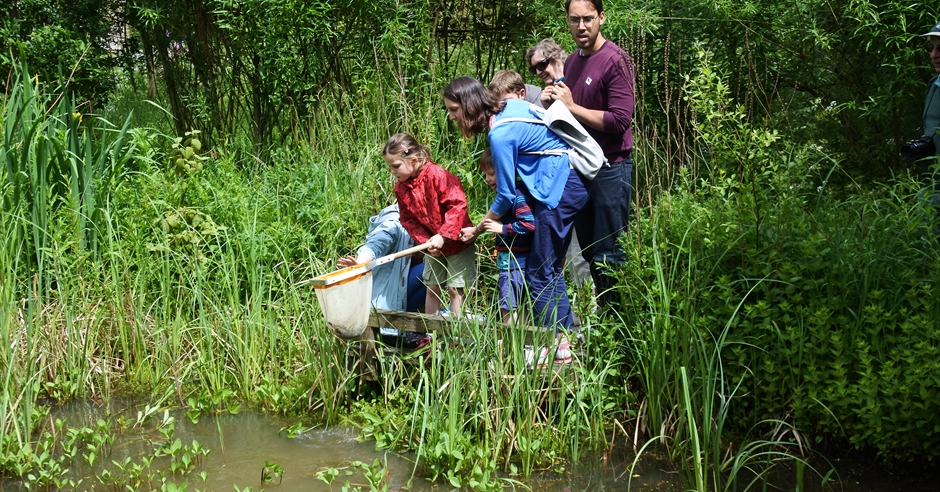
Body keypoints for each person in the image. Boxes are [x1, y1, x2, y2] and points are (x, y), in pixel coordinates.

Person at [446, 76, 588, 362]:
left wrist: (478, 228)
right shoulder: (510, 107)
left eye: (453, 110)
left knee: (539, 270)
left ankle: (556, 344)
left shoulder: (499, 133)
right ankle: (562, 340)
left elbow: (506, 196)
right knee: (548, 268)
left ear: (468, 105)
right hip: (571, 182)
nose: (451, 117)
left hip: (558, 187)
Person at [546, 0, 635, 311]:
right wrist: (553, 103)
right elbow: (572, 118)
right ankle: (601, 327)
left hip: (611, 169)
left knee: (609, 254)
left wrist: (571, 106)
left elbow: (620, 120)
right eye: (574, 20)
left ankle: (617, 331)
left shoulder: (616, 60)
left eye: (587, 19)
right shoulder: (571, 62)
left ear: (601, 17)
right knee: (588, 251)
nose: (581, 26)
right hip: (580, 168)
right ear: (567, 21)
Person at [526, 38, 595, 302]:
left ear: (557, 56)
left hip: (585, 174)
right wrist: (543, 106)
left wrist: (566, 101)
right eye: (534, 68)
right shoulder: (544, 95)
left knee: (584, 253)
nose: (539, 71)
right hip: (559, 183)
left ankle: (589, 319)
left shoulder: (575, 80)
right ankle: (571, 319)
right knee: (561, 255)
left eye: (542, 63)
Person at [383, 132, 477, 317]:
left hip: (457, 242)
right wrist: (427, 242)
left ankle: (456, 337)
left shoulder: (437, 175)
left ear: (414, 159)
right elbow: (408, 220)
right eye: (390, 167)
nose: (393, 171)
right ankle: (431, 335)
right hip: (432, 246)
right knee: (432, 286)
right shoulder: (400, 188)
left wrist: (443, 236)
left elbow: (457, 205)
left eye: (396, 166)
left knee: (454, 289)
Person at [337, 204, 427, 343]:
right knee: (430, 270)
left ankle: (411, 329)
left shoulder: (424, 222)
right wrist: (361, 263)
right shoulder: (393, 222)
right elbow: (377, 243)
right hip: (383, 306)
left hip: (400, 297)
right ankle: (402, 331)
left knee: (436, 271)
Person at [476, 148, 535, 324]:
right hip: (511, 260)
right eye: (485, 175)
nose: (487, 179)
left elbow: (529, 224)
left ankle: (512, 345)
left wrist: (501, 228)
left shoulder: (516, 196)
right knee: (520, 304)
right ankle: (524, 345)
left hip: (514, 262)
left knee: (508, 305)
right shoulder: (512, 194)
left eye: (492, 174)